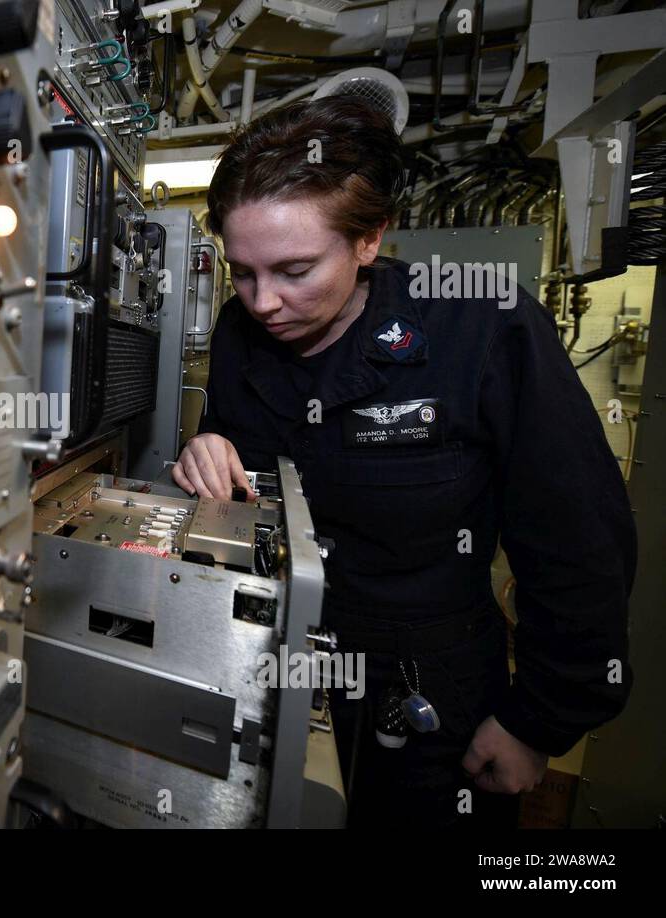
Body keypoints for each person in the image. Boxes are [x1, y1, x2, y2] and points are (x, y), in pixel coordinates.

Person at [173, 96, 635, 828]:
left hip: (430, 693)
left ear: (369, 240)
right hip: (275, 662)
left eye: (295, 270)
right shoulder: (241, 332)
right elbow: (237, 463)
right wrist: (206, 447)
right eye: (243, 272)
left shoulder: (483, 327)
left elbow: (577, 536)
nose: (263, 303)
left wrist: (540, 720)